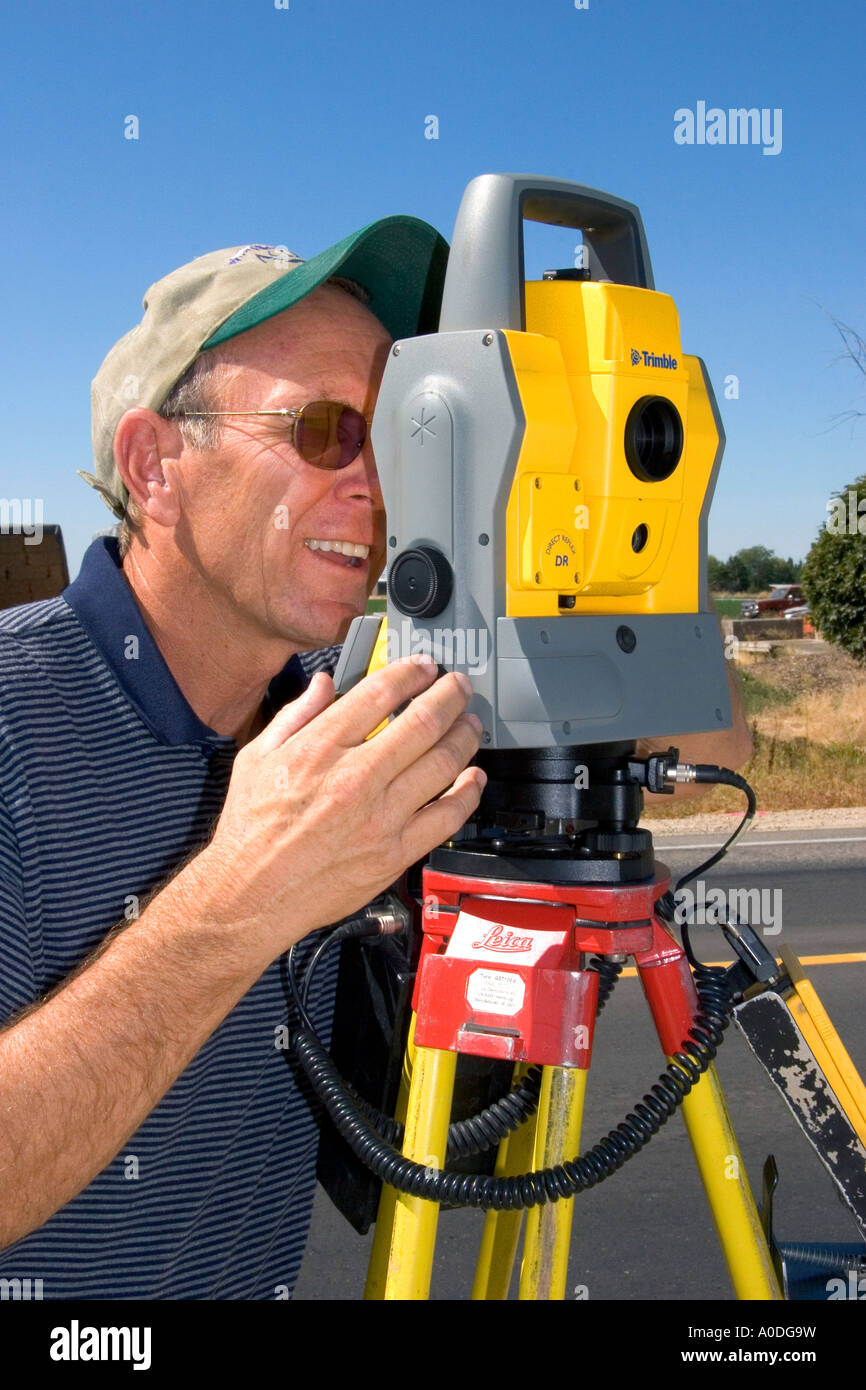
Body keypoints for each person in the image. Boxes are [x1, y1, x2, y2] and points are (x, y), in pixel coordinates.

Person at [0, 222, 751, 1301]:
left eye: (400, 436)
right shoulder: (15, 726)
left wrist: (612, 528)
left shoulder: (349, 695)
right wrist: (244, 895)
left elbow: (720, 735)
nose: (376, 483)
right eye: (321, 429)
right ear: (152, 466)